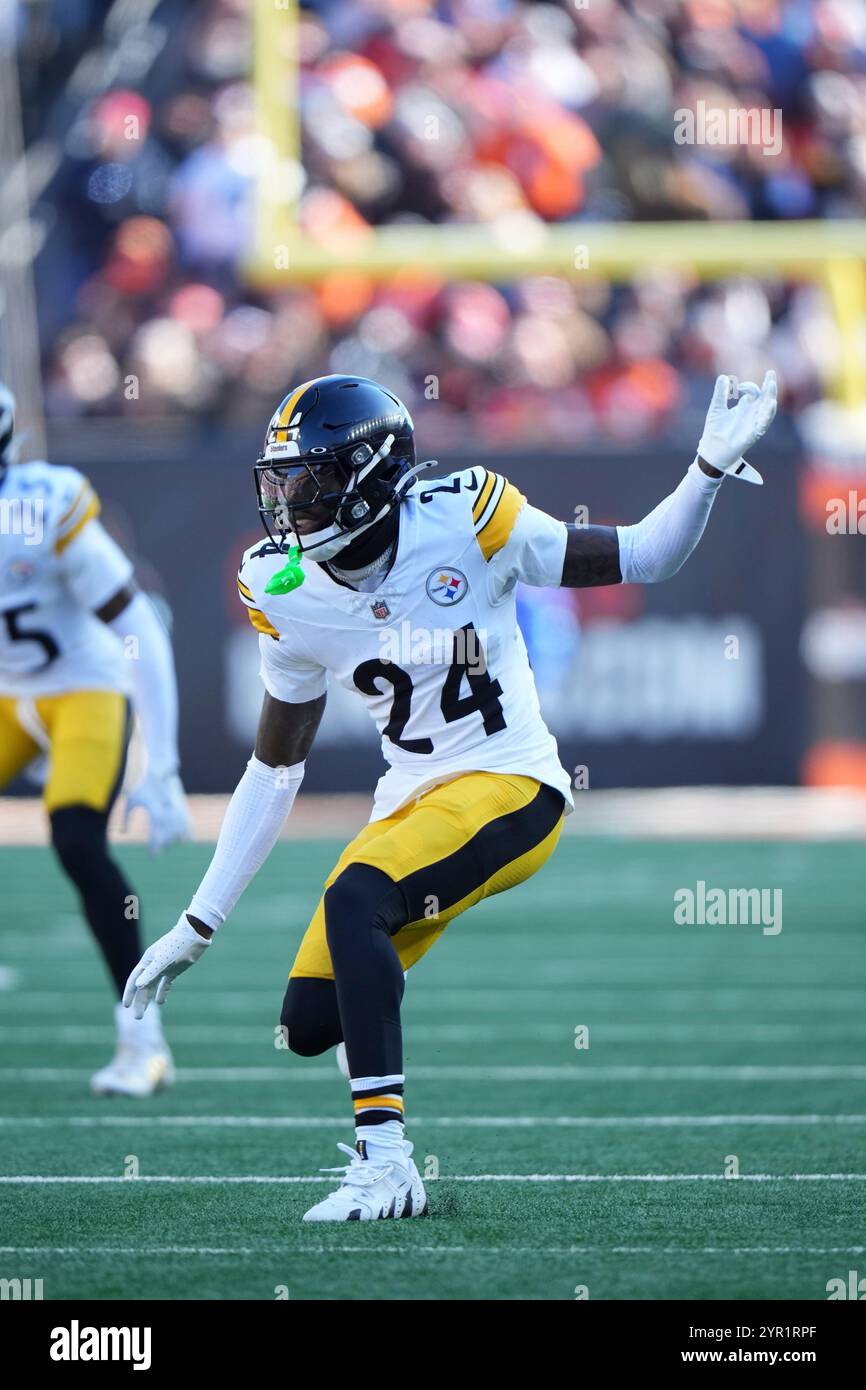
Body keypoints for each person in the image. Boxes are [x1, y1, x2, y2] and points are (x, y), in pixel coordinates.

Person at [123, 369, 777, 1218]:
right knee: (312, 1022)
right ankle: (388, 1147)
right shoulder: (283, 592)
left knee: (357, 899)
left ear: (368, 477)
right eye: (279, 483)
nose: (288, 506)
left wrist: (708, 468)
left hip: (512, 785)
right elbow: (276, 767)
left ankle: (386, 1163)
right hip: (413, 802)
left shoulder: (471, 517)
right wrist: (197, 923)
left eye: (309, 482)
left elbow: (643, 555)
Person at [0, 382, 191, 1095]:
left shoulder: (41, 508)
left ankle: (142, 1041)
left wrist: (163, 766)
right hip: (7, 689)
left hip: (82, 684)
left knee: (78, 841)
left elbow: (137, 624)